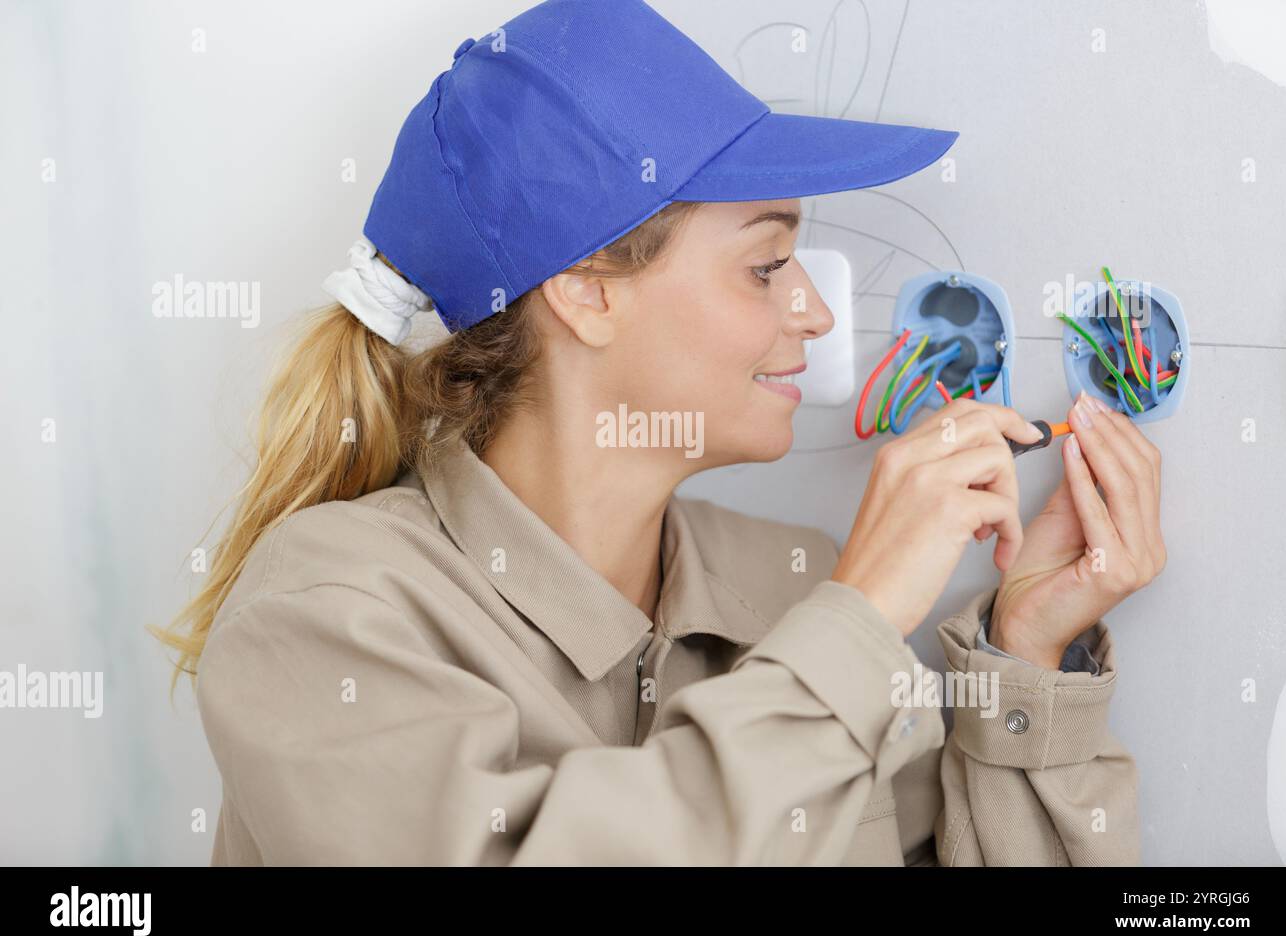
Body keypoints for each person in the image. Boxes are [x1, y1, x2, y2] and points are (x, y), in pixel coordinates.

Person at [153, 0, 1164, 865]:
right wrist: (857, 625)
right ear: (586, 292)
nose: (812, 312)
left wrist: (1022, 659)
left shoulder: (793, 586)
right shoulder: (331, 612)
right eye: (766, 266)